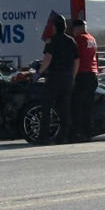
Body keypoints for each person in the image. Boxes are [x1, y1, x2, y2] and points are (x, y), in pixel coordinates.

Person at [35, 14, 79, 144]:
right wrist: (73, 76)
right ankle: (63, 136)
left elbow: (47, 59)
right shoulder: (71, 41)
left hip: (54, 78)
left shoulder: (52, 41)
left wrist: (38, 73)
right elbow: (77, 60)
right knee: (64, 109)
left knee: (47, 107)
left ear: (54, 27)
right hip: (67, 79)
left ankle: (44, 137)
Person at [70, 18, 99, 142]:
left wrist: (72, 76)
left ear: (78, 28)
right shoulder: (92, 38)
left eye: (73, 29)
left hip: (82, 74)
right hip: (93, 75)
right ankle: (89, 132)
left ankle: (78, 132)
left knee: (77, 106)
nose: (73, 32)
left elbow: (76, 58)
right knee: (88, 106)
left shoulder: (80, 39)